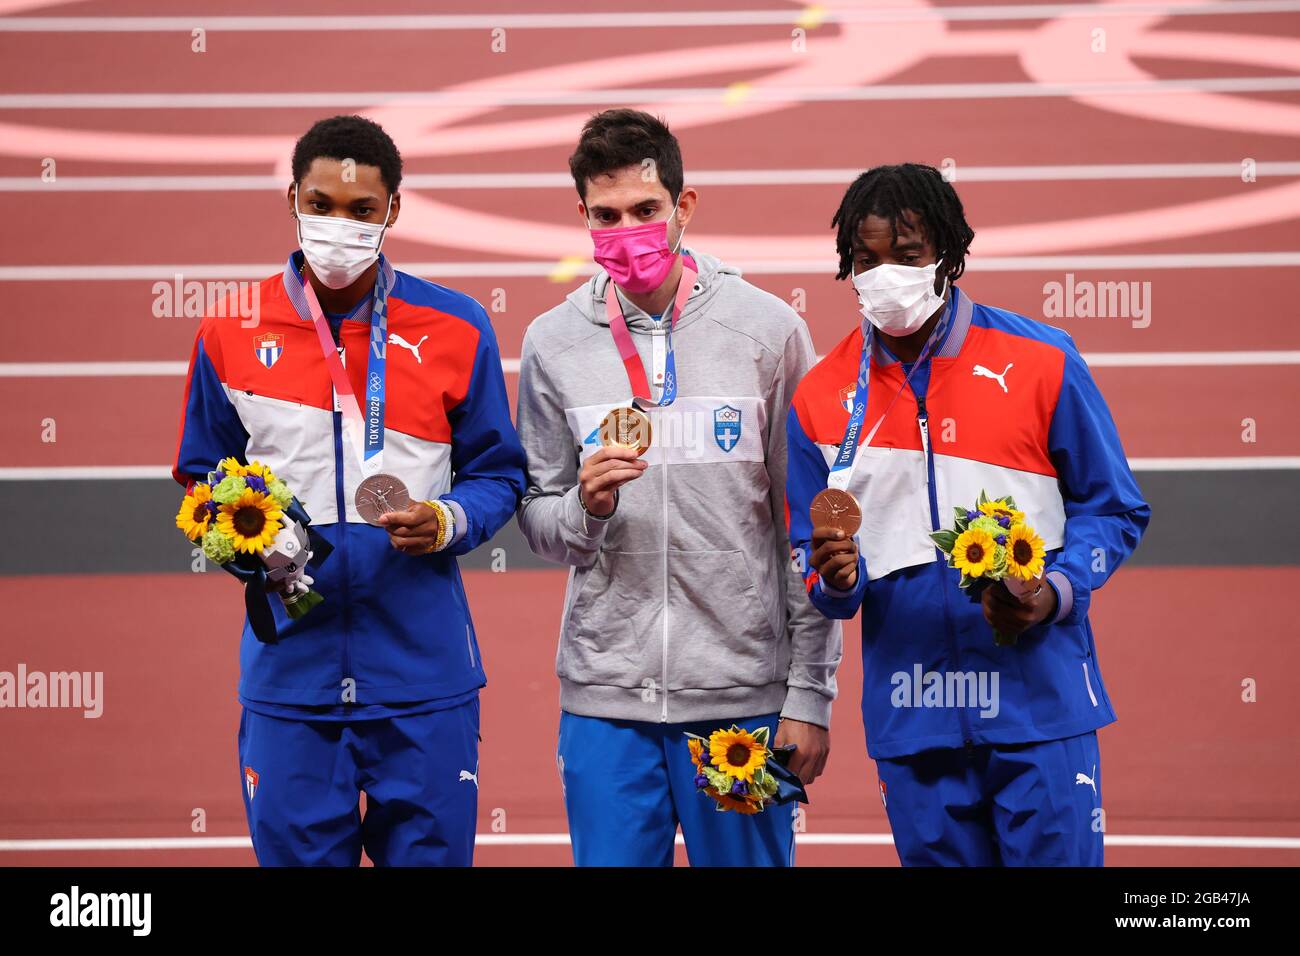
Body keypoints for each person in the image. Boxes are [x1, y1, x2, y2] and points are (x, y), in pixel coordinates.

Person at [172, 115, 527, 866]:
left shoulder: (457, 325)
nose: (339, 224)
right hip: (290, 678)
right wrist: (244, 547)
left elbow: (501, 473)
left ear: (393, 211)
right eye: (321, 204)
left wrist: (450, 518)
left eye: (362, 210)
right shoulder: (228, 328)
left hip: (423, 676)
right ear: (292, 200)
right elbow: (203, 476)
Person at [786, 163, 1149, 866]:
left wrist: (1055, 593)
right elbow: (813, 562)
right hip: (913, 717)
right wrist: (833, 579)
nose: (884, 275)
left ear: (950, 256)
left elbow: (1114, 508)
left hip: (1040, 707)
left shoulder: (1043, 361)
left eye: (908, 256)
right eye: (866, 260)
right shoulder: (819, 397)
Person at [515, 109, 842, 866]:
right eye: (606, 216)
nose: (626, 230)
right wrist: (582, 511)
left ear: (684, 206)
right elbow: (536, 516)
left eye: (645, 210)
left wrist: (809, 694)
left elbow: (810, 529)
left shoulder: (767, 332)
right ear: (583, 218)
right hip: (606, 702)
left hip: (744, 701)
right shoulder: (551, 342)